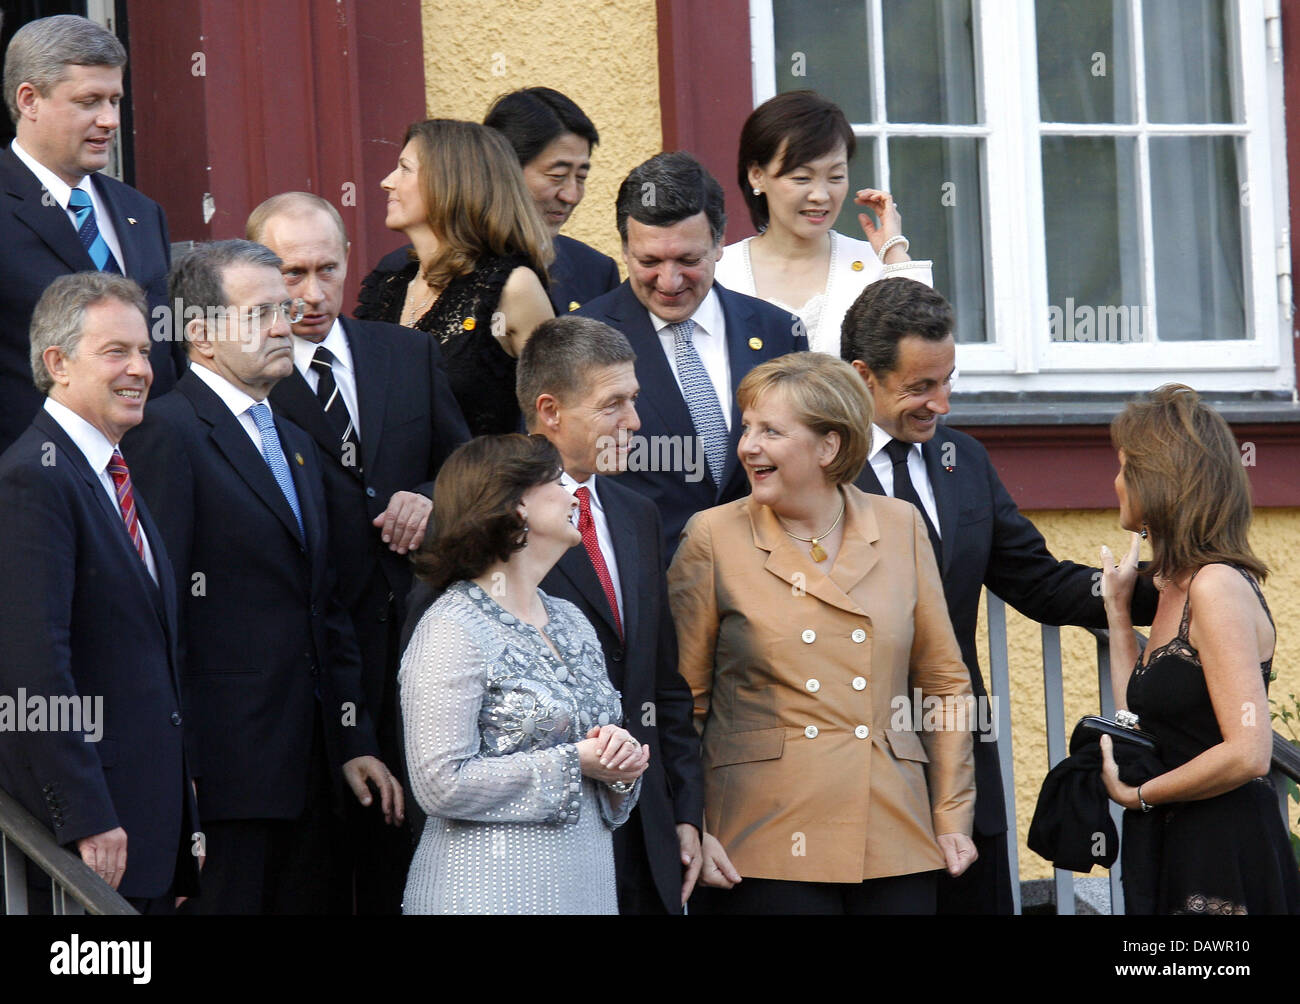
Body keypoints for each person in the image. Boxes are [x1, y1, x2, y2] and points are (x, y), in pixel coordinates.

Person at [843, 277, 1159, 914]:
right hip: (852, 756)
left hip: (958, 747)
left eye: (948, 380)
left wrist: (1167, 584)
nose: (943, 403)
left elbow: (1036, 579)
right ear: (862, 377)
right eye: (921, 387)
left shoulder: (963, 459)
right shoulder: (809, 459)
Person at [123, 240, 402, 914]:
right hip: (223, 787)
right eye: (261, 314)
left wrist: (353, 738)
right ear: (201, 334)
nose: (286, 323)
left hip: (315, 778)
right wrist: (176, 774)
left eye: (284, 309)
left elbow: (323, 605)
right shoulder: (166, 432)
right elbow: (156, 616)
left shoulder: (297, 443)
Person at [668, 352, 975, 914]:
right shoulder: (714, 536)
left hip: (892, 823)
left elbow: (943, 683)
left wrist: (951, 814)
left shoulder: (900, 524)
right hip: (760, 833)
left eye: (770, 431)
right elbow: (683, 701)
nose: (747, 447)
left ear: (829, 446)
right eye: (747, 428)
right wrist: (695, 822)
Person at [246, 192, 471, 914]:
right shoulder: (246, 382)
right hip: (306, 661)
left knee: (404, 858)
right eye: (290, 274)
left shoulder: (406, 352)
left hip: (414, 642)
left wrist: (432, 495)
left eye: (326, 270)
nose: (311, 294)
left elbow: (466, 467)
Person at [0, 272, 197, 913]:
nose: (140, 368)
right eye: (116, 352)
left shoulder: (113, 472)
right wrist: (85, 813)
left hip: (148, 827)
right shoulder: (34, 479)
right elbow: (32, 668)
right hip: (90, 841)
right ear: (57, 363)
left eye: (144, 351)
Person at [400, 433, 648, 914]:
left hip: (586, 890)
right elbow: (438, 782)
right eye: (556, 481)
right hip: (483, 894)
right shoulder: (452, 626)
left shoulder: (572, 619)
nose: (573, 492)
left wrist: (621, 766)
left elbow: (599, 772)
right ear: (515, 507)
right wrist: (577, 761)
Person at [518, 315, 705, 914]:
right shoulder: (492, 515)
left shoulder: (635, 513)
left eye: (635, 400)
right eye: (613, 404)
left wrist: (684, 813)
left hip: (648, 834)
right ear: (551, 411)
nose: (636, 422)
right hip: (545, 835)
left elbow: (663, 683)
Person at [1097, 384, 1300, 915]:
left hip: (1221, 852)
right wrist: (1119, 615)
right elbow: (1136, 718)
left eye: (1125, 468)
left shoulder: (1216, 585)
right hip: (1172, 839)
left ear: (1160, 479)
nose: (1116, 482)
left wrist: (1140, 795)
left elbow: (1250, 752)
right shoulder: (1174, 587)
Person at [577, 152, 807, 558]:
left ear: (719, 243)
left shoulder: (778, 333)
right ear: (625, 249)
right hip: (648, 590)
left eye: (688, 260)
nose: (669, 281)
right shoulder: (579, 339)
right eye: (649, 261)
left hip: (771, 582)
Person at [0, 15, 179, 454]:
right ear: (29, 100)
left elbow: (168, 353)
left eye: (115, 100)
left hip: (150, 482)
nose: (110, 119)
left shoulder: (142, 212)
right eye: (89, 101)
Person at [354, 119, 554, 437]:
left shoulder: (511, 287)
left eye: (404, 168)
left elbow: (556, 415)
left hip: (483, 485)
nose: (386, 182)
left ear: (448, 183)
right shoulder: (388, 284)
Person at [714, 91, 931, 356]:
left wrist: (895, 254)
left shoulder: (878, 268)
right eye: (802, 178)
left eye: (836, 177)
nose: (821, 195)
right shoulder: (720, 273)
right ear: (757, 176)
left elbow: (927, 368)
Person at [374, 87, 620, 314]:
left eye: (581, 177)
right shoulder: (399, 273)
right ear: (502, 169)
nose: (571, 195)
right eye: (557, 176)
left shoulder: (595, 270)